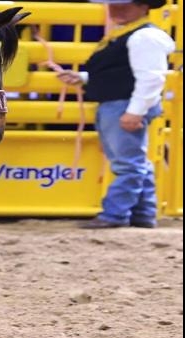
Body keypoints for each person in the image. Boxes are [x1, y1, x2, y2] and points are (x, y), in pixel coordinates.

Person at [57, 0, 176, 229]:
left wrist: (134, 112)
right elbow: (129, 73)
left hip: (124, 104)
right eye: (113, 4)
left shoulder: (142, 37)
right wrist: (84, 78)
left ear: (143, 6)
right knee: (134, 162)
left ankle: (115, 214)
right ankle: (143, 214)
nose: (116, 8)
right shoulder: (135, 34)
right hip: (122, 103)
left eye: (125, 4)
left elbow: (151, 79)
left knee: (128, 164)